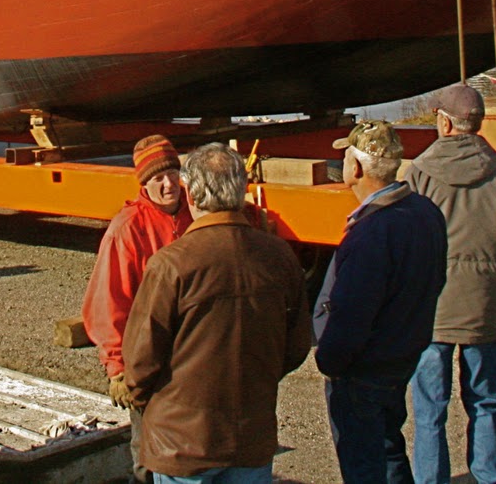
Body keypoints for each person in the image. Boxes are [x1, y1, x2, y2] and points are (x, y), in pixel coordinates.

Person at [121, 143, 312, 483]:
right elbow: (296, 345)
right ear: (242, 193)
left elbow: (140, 360)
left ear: (190, 197)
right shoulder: (279, 257)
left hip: (182, 445)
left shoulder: (171, 265)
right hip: (250, 437)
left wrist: (149, 404)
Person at [406, 84, 496, 484]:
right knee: (485, 403)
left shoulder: (419, 173)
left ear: (444, 121)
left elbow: (407, 241)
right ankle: (489, 476)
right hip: (486, 305)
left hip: (433, 312)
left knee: (430, 408)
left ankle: (430, 480)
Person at [315, 120, 448, 484]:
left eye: (345, 156)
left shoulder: (370, 234)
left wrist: (331, 361)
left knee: (364, 466)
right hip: (401, 360)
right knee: (390, 452)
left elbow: (352, 314)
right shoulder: (426, 213)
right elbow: (437, 282)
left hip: (362, 373)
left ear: (355, 168)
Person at [80, 134, 193, 483]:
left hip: (192, 354)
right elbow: (108, 302)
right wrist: (116, 367)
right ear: (144, 183)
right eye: (157, 177)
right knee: (147, 450)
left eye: (173, 173)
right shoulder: (128, 229)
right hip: (150, 358)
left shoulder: (199, 214)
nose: (168, 183)